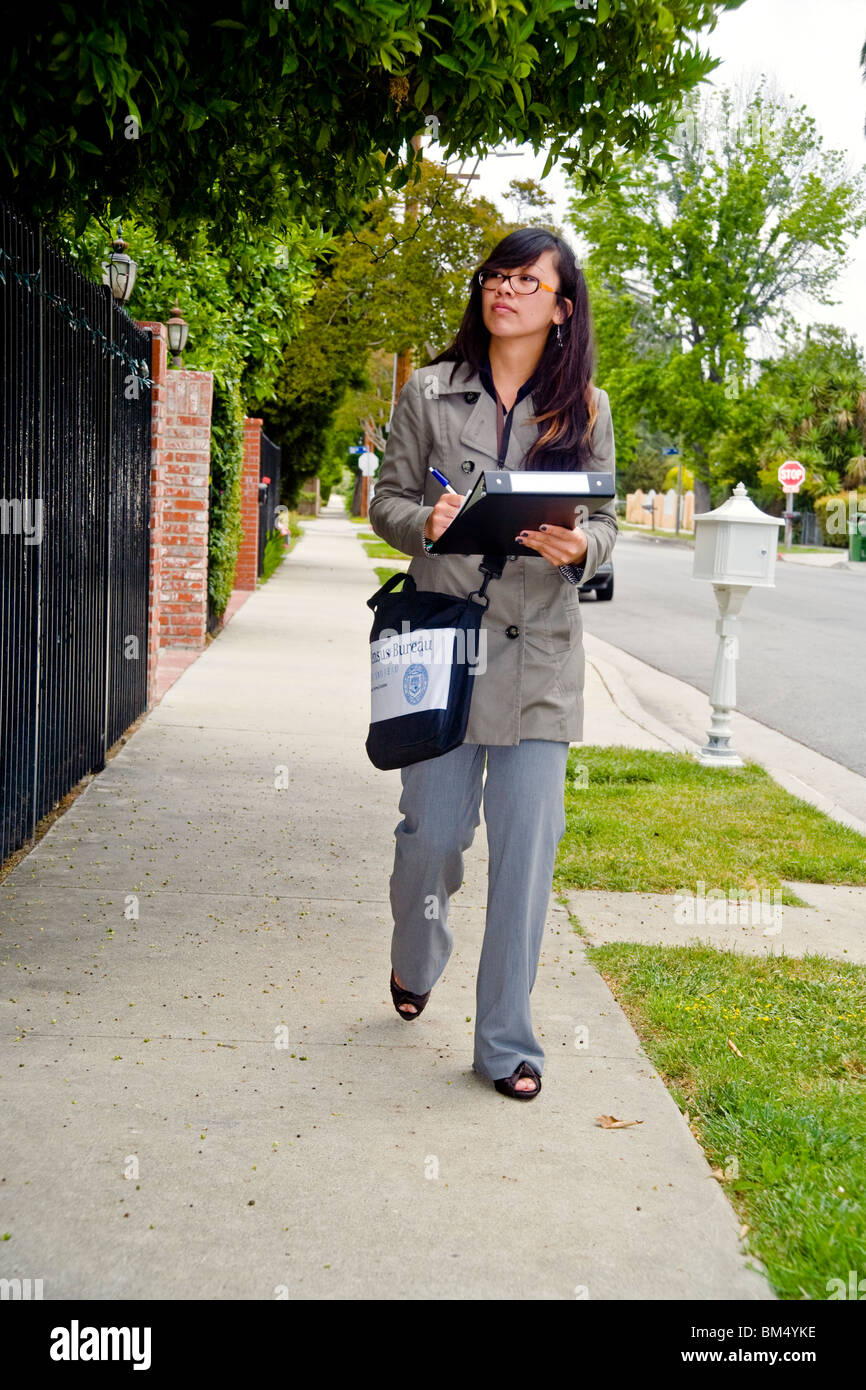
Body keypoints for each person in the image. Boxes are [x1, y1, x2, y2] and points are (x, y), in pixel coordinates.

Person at [367, 227, 617, 1100]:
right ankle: (414, 955)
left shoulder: (585, 406)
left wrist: (579, 547)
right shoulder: (430, 392)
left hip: (541, 659)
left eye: (525, 280)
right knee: (433, 837)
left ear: (561, 306)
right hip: (443, 645)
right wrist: (421, 524)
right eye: (494, 277)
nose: (503, 290)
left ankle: (507, 1043)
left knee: (528, 853)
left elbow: (608, 521)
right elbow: (388, 498)